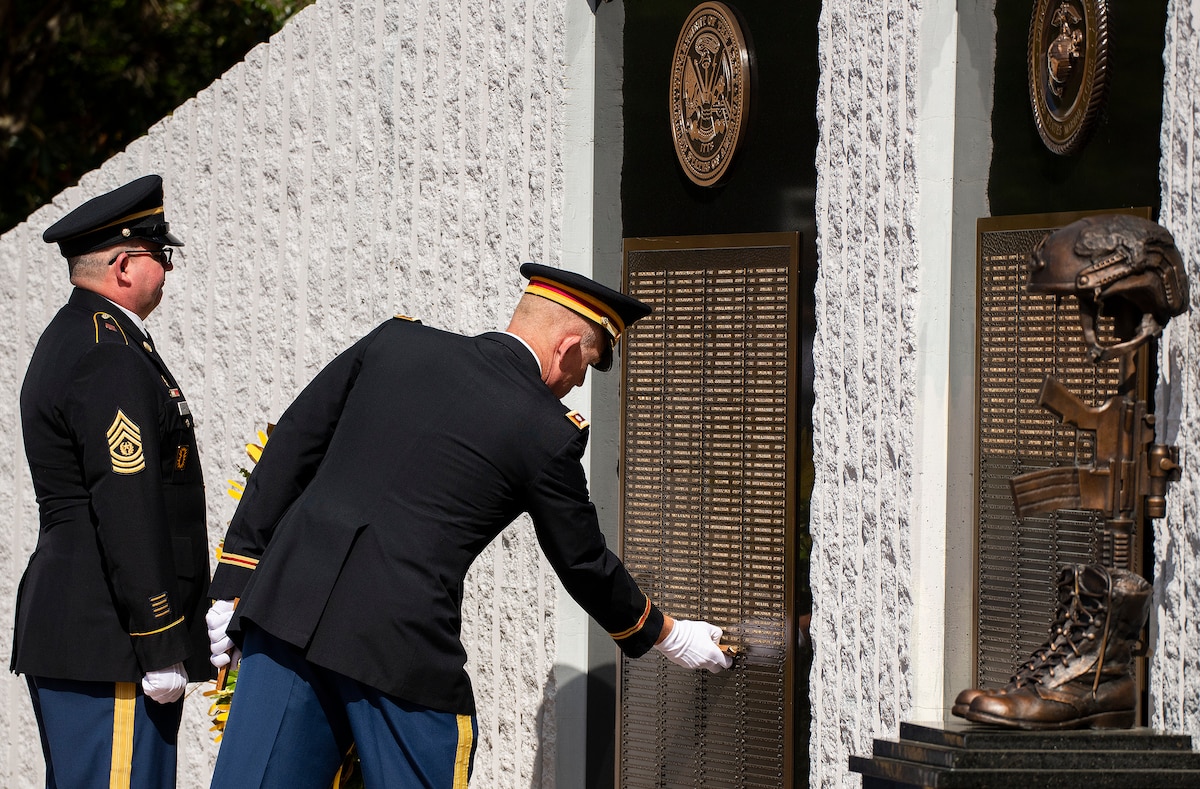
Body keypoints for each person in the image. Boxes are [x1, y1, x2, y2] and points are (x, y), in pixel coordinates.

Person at [206, 262, 732, 788]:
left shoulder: (395, 342)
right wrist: (669, 635)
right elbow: (583, 561)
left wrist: (233, 582)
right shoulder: (546, 431)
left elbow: (291, 446)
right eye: (588, 365)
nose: (576, 383)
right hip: (396, 647)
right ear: (567, 348)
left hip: (285, 607)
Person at [11, 174, 212, 788]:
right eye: (161, 255)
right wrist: (159, 639)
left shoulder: (82, 336)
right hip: (113, 635)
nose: (168, 270)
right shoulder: (107, 350)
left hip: (89, 629)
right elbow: (127, 503)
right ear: (125, 264)